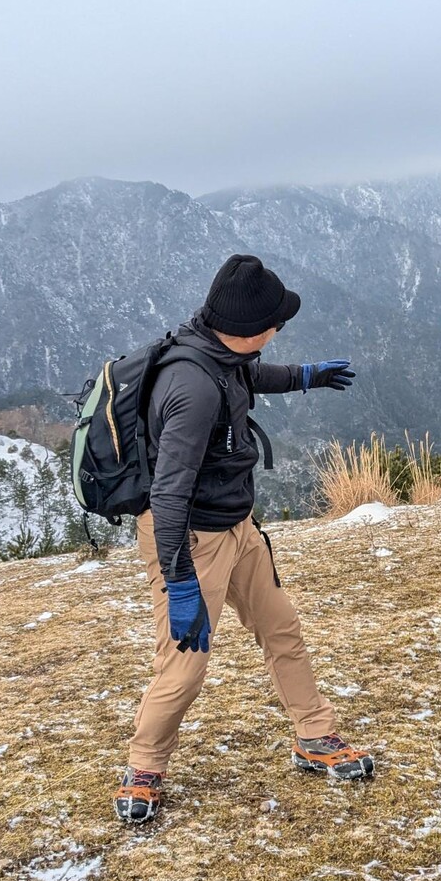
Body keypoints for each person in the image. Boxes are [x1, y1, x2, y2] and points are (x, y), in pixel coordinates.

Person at [114, 253, 375, 824]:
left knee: (281, 628)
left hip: (239, 527)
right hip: (191, 540)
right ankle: (144, 768)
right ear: (251, 328)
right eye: (276, 322)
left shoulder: (218, 352)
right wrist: (180, 579)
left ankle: (315, 736)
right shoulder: (193, 388)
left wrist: (305, 377)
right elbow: (169, 493)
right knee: (184, 665)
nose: (280, 329)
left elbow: (251, 374)